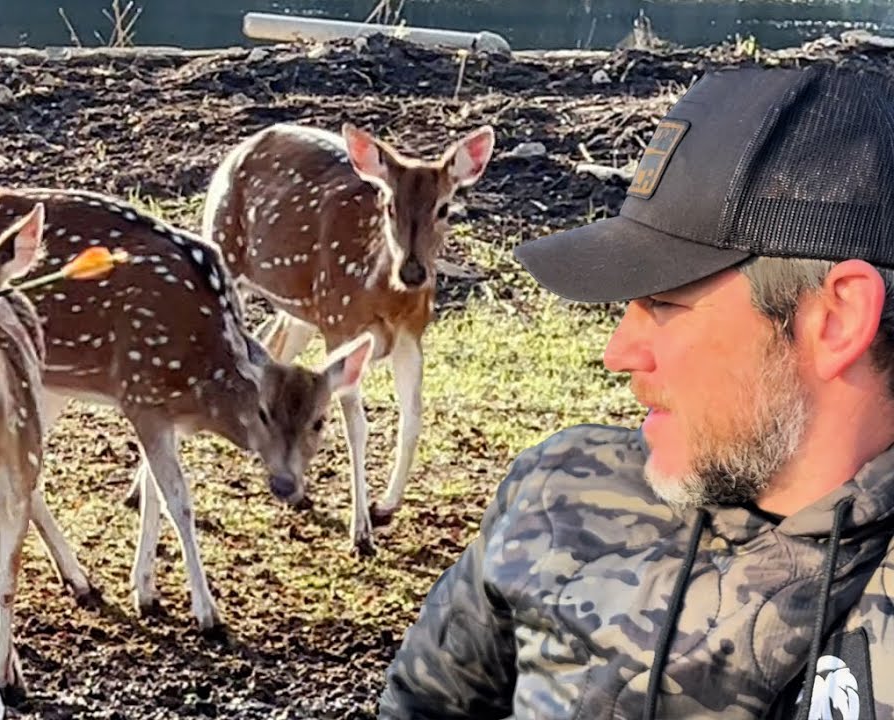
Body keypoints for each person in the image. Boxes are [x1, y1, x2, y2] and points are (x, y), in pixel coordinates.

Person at [377, 62, 894, 720]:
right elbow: (422, 704)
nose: (617, 352)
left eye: (663, 303)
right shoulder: (559, 495)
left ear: (837, 319)